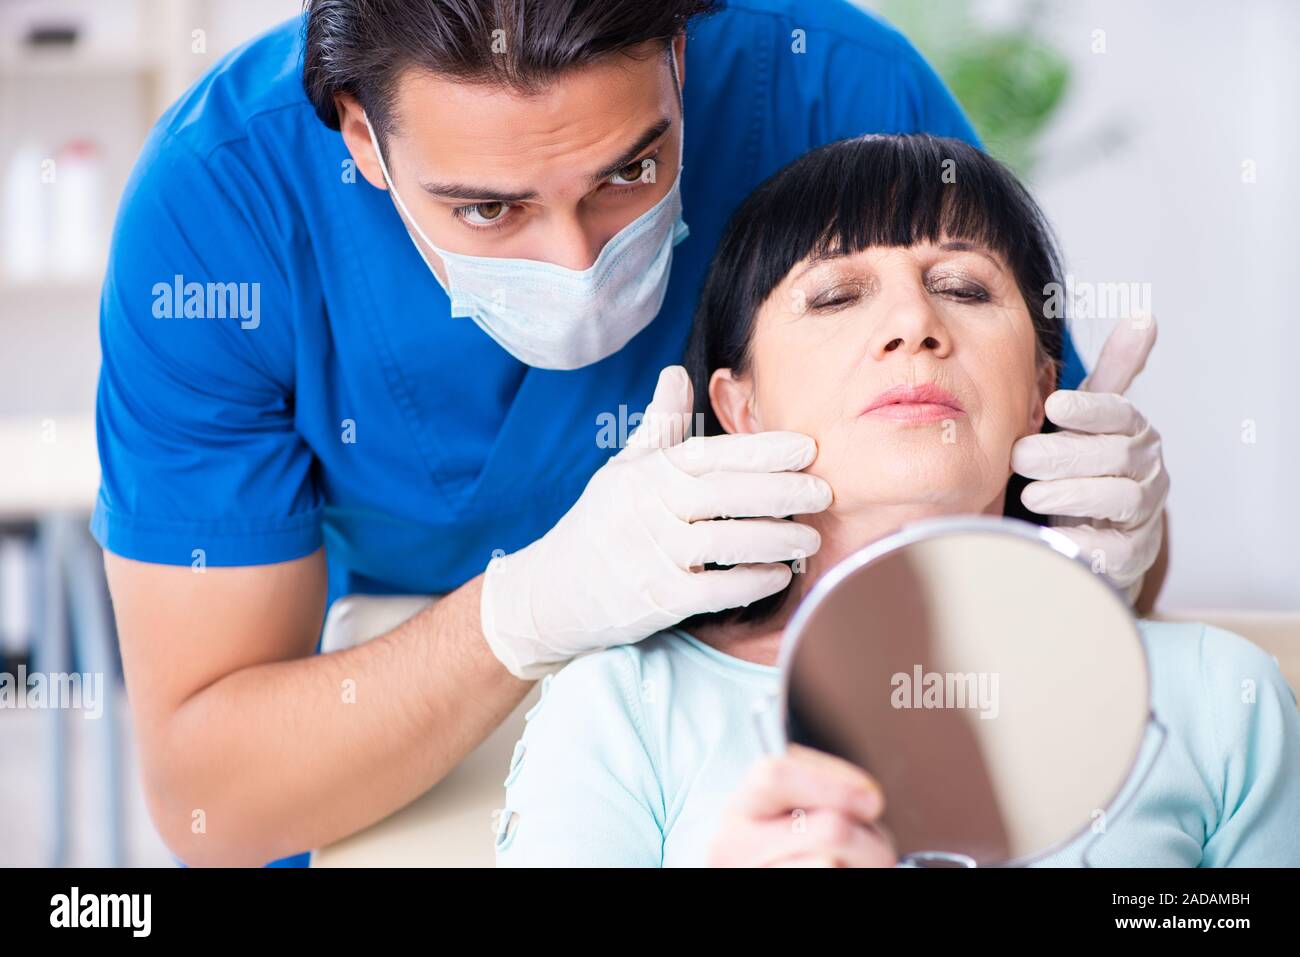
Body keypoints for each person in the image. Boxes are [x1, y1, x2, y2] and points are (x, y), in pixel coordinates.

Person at [96, 0, 1168, 866]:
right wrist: (529, 611)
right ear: (362, 140)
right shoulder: (220, 212)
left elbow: (1040, 525)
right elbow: (212, 802)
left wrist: (1108, 551)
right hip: (380, 745)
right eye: (487, 210)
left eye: (629, 172)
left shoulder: (840, 92)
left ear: (679, 53)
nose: (575, 264)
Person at [494, 135, 1299, 868]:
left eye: (962, 287)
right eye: (837, 296)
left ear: (1040, 392)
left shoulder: (1221, 697)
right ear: (741, 407)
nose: (915, 321)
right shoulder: (622, 711)